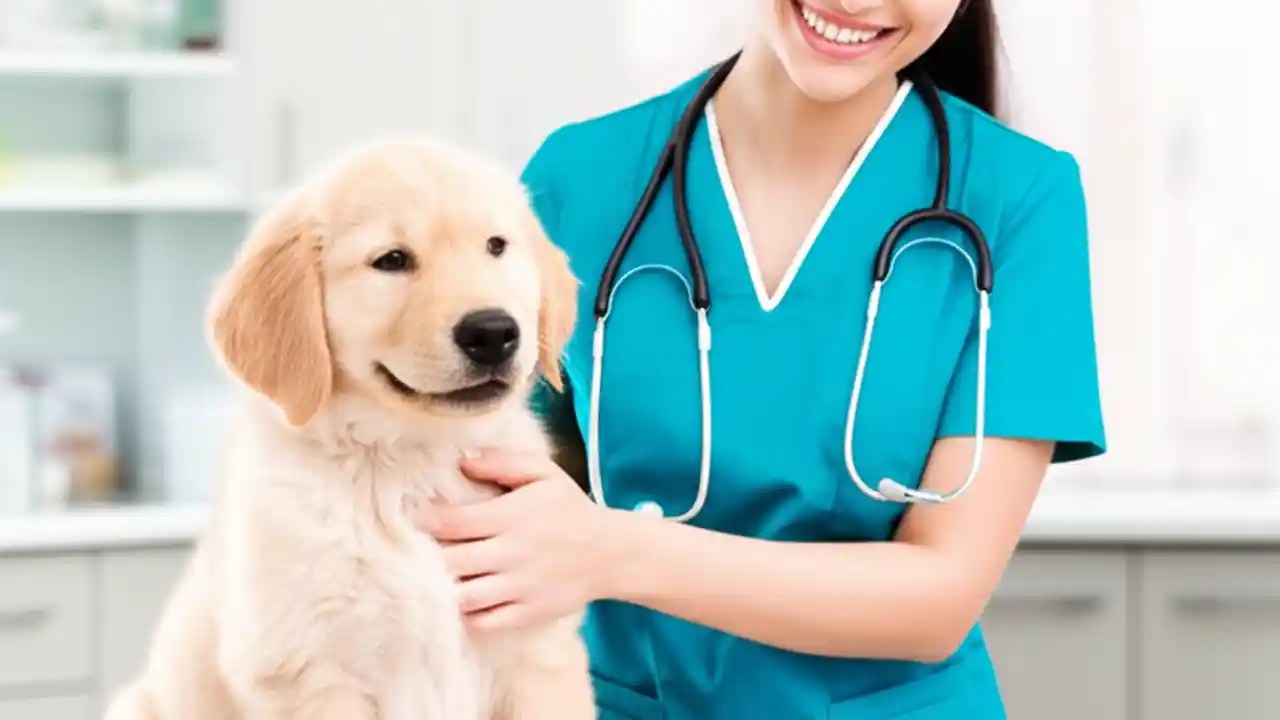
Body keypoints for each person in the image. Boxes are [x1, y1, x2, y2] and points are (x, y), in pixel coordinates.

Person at [417, 0, 1106, 717]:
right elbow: (482, 498)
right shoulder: (577, 179)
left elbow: (940, 597)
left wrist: (613, 552)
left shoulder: (1018, 196)